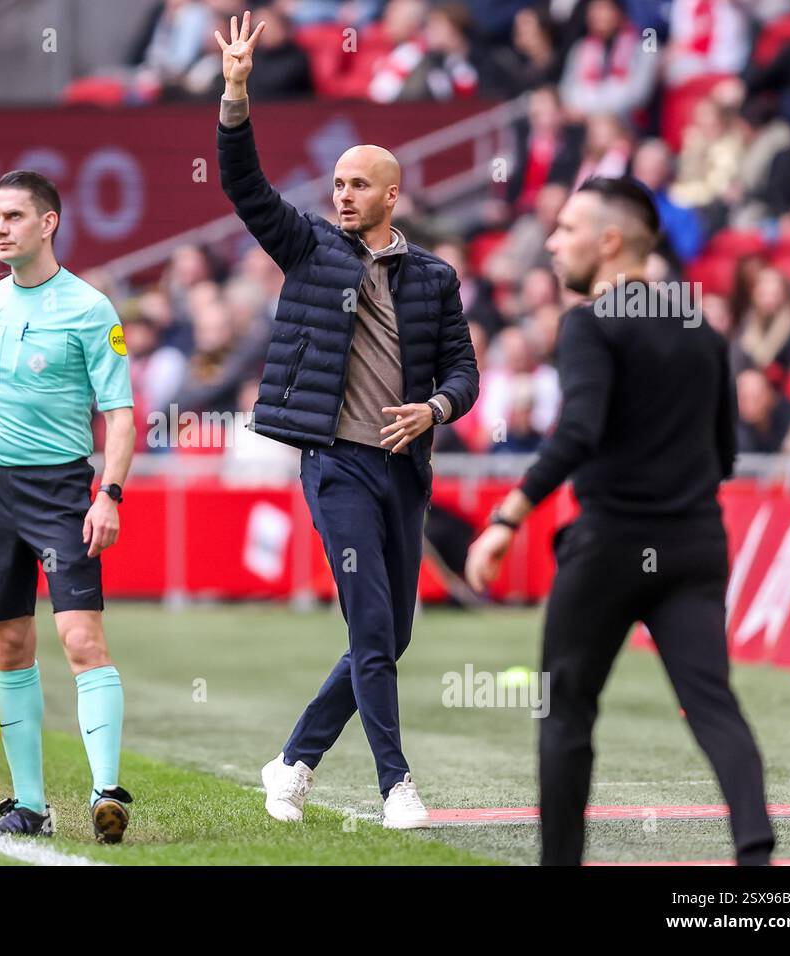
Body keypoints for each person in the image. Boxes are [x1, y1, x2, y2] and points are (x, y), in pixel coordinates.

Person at [214, 11, 479, 829]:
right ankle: (395, 783)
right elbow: (244, 188)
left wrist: (433, 407)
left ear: (391, 194)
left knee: (390, 635)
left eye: (357, 184)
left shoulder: (433, 278)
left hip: (404, 470)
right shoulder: (309, 248)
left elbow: (465, 373)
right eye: (335, 184)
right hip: (335, 466)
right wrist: (235, 93)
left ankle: (293, 761)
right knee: (370, 624)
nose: (341, 194)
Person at [465, 177, 775, 866]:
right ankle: (756, 856)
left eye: (566, 229)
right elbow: (725, 454)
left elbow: (576, 433)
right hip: (696, 544)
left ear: (609, 242)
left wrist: (507, 517)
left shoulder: (590, 323)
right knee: (713, 705)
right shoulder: (702, 327)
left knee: (567, 711)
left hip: (609, 545)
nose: (551, 241)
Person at [0, 170, 137, 843]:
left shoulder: (90, 307)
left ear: (48, 223)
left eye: (13, 216)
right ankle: (29, 806)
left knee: (82, 639)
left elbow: (121, 417)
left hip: (58, 490)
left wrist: (108, 494)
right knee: (10, 646)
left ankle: (107, 793)